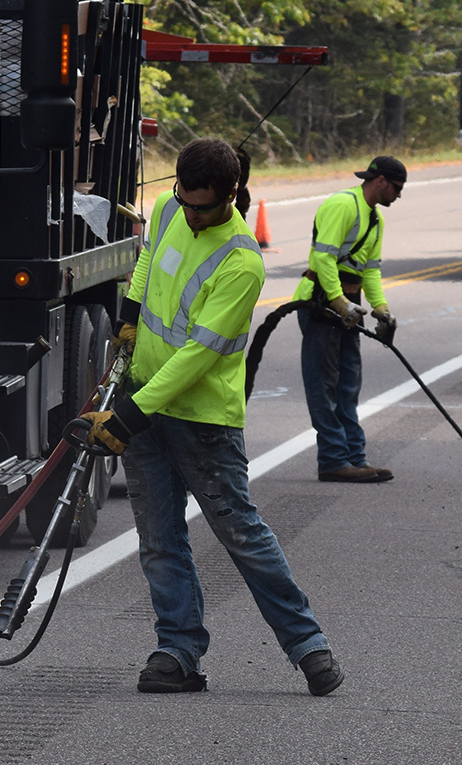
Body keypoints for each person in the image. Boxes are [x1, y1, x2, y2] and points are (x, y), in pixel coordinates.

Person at [81, 136, 343, 697]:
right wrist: (130, 312)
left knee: (241, 534)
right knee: (158, 538)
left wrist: (128, 419)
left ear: (233, 196)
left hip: (201, 422)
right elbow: (150, 255)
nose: (192, 214)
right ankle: (177, 652)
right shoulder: (170, 206)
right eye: (186, 200)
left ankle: (309, 646)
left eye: (206, 206)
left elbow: (199, 355)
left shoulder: (241, 260)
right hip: (143, 399)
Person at [293, 156, 403, 483]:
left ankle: (355, 457)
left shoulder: (375, 220)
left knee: (348, 384)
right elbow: (324, 259)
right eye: (397, 187)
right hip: (320, 301)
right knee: (324, 385)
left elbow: (370, 270)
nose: (399, 195)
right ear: (381, 180)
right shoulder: (343, 205)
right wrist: (339, 302)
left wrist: (380, 309)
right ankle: (333, 459)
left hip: (348, 302)